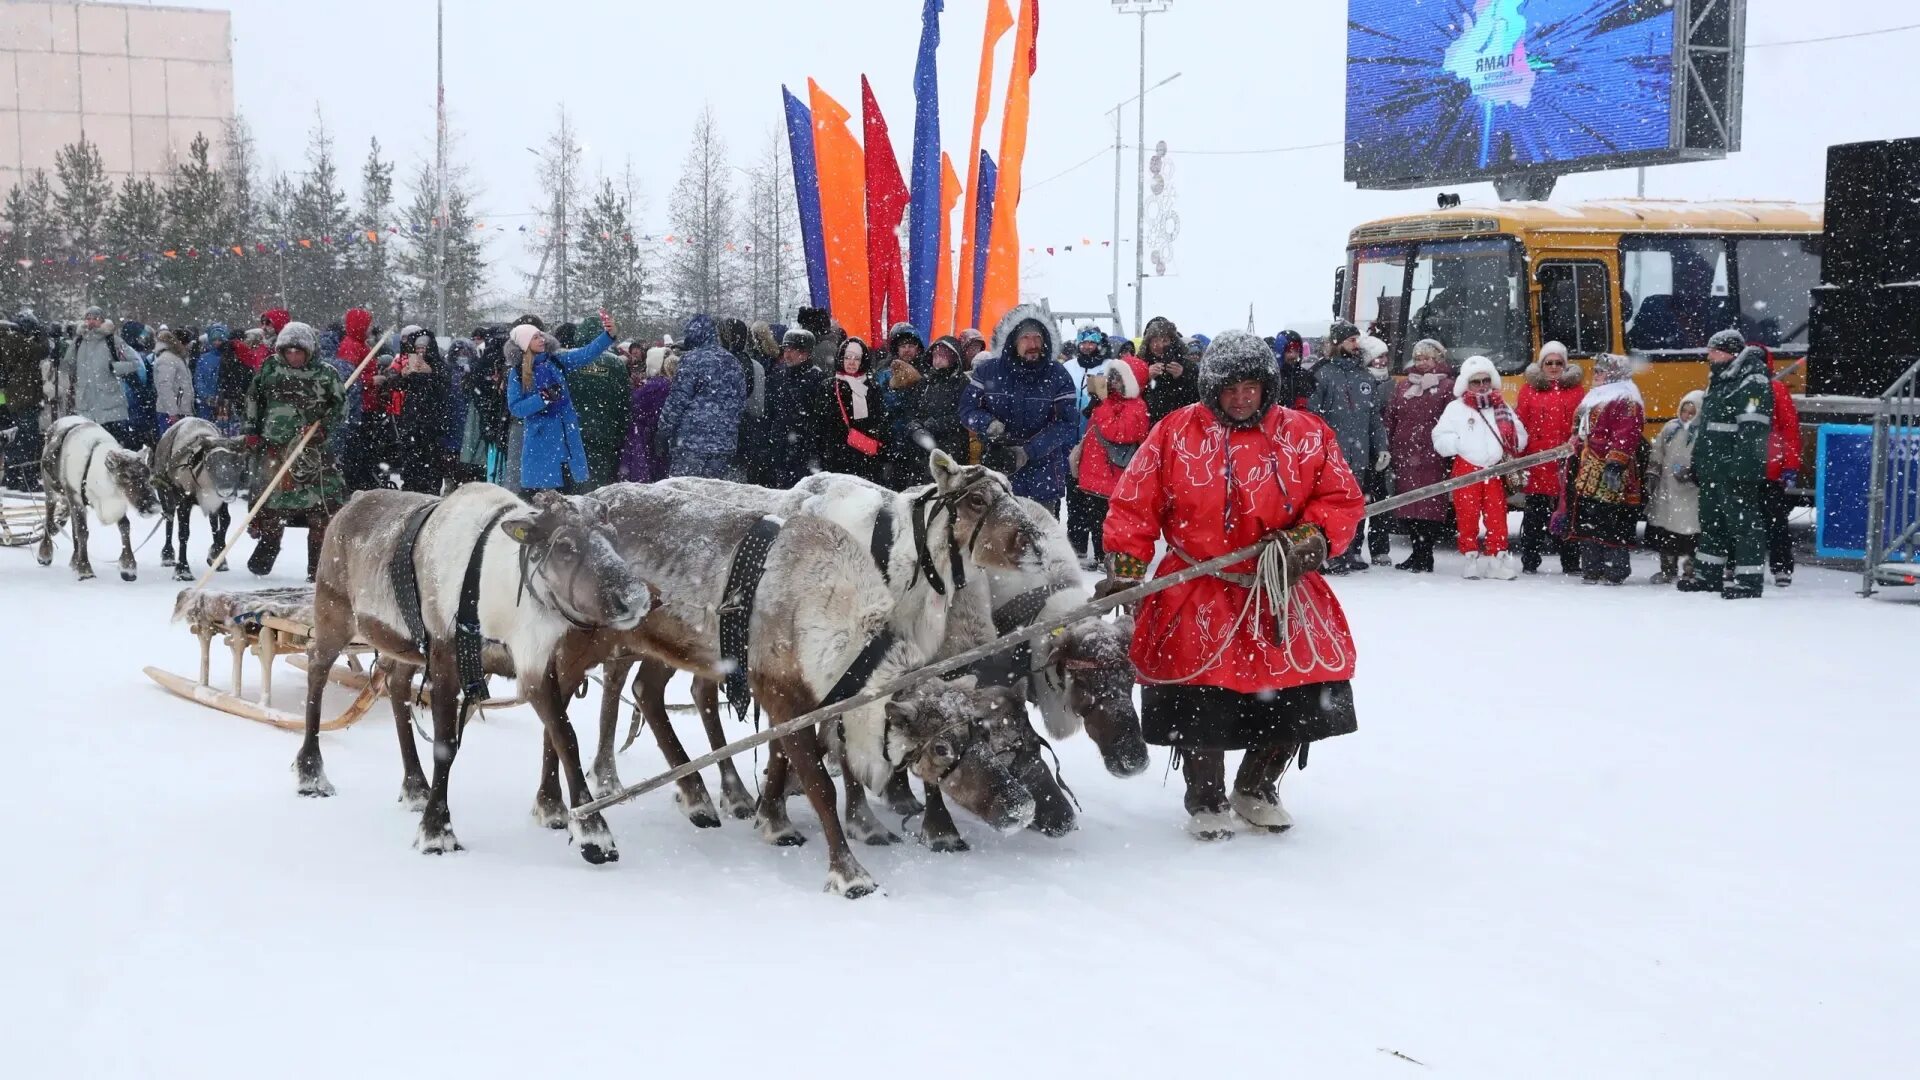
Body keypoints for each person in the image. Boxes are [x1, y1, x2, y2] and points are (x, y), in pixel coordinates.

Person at [1100, 330, 1365, 842]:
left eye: (1251, 387)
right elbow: (1135, 503)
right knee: (1204, 700)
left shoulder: (1306, 433)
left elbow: (1339, 496)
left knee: (1299, 695)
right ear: (1211, 389)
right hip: (1197, 585)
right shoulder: (1175, 432)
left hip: (1278, 584)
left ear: (1267, 386)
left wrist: (1311, 537)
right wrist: (1126, 570)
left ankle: (1258, 787)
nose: (1242, 398)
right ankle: (1205, 796)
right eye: (1230, 389)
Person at [242, 321, 346, 580]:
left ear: (308, 351)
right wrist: (252, 429)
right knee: (273, 505)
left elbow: (340, 408)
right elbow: (254, 398)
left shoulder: (326, 374)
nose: (293, 357)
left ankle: (317, 568)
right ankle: (268, 547)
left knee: (322, 509)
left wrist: (324, 427)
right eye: (288, 352)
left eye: (298, 352)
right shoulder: (269, 369)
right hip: (276, 449)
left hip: (313, 453)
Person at [1681, 335, 1774, 599]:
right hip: (1713, 467)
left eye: (1713, 352)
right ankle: (1707, 575)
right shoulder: (1719, 378)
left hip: (1735, 470)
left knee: (1744, 525)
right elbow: (1708, 428)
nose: (1709, 357)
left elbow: (1753, 429)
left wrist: (1743, 469)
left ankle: (1749, 581)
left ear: (1729, 353)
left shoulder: (1752, 380)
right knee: (1711, 522)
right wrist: (1698, 462)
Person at [959, 309, 1079, 514]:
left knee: (1041, 541)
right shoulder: (988, 371)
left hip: (1043, 478)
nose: (1033, 345)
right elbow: (967, 409)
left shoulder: (1057, 374)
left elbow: (1067, 423)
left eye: (1037, 338)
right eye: (1025, 337)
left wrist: (1028, 451)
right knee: (997, 540)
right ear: (1013, 340)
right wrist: (988, 424)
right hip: (998, 474)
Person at [1431, 354, 1528, 580]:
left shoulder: (1502, 406)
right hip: (1466, 468)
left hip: (1494, 471)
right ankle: (1470, 558)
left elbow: (1521, 434)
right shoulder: (1456, 408)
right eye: (1476, 381)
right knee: (1467, 516)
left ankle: (1497, 559)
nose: (1482, 386)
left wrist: (1511, 441)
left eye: (1486, 380)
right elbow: (1439, 437)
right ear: (1467, 384)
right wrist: (1458, 444)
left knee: (1497, 516)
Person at [1307, 319, 1390, 572]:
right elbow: (1312, 417)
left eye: (1357, 339)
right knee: (1331, 505)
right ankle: (1329, 552)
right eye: (1351, 340)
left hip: (1360, 454)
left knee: (1356, 503)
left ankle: (1352, 550)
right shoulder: (1322, 374)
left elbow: (1373, 416)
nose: (1356, 344)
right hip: (1332, 456)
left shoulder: (1363, 375)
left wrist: (1381, 446)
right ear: (1337, 343)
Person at [504, 310, 618, 494]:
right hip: (540, 442)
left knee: (569, 491)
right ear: (525, 345)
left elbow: (586, 354)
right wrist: (544, 397)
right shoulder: (516, 373)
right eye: (535, 338)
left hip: (565, 436)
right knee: (542, 493)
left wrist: (608, 335)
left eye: (540, 335)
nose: (541, 339)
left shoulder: (556, 361)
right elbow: (516, 408)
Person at [1563, 353, 1645, 585]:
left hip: (1610, 468)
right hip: (1588, 466)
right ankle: (1591, 567)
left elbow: (1627, 433)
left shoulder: (1626, 398)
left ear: (1614, 373)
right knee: (1587, 518)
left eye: (1601, 371)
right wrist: (1574, 445)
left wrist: (1616, 463)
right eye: (1595, 370)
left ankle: (1614, 569)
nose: (1595, 374)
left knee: (1611, 520)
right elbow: (1582, 429)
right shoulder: (1596, 395)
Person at [1070, 350, 1149, 569]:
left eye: (1118, 377)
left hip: (1111, 475)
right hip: (1098, 473)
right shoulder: (1109, 401)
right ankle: (1099, 556)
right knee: (1095, 518)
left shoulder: (1136, 407)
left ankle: (1106, 557)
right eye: (1112, 376)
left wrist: (1101, 406)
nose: (1113, 381)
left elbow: (1118, 433)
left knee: (1107, 521)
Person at [1514, 341, 1586, 574]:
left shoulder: (1577, 391)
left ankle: (1570, 562)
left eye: (1558, 363)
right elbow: (1521, 425)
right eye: (1549, 362)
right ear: (1542, 365)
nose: (1553, 367)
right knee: (1534, 516)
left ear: (1565, 365)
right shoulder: (1528, 390)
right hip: (1537, 461)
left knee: (1567, 513)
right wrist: (1519, 457)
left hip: (1567, 462)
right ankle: (1530, 561)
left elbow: (1582, 426)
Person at [1382, 339, 1453, 572]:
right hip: (1405, 454)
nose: (1422, 362)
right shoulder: (1403, 386)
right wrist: (1388, 444)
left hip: (1432, 455)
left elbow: (1450, 420)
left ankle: (1426, 554)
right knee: (1408, 506)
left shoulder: (1447, 387)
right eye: (1419, 358)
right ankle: (1416, 552)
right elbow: (1391, 417)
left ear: (1438, 360)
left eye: (1427, 358)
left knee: (1429, 507)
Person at [657, 314, 748, 480]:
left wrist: (663, 431)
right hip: (724, 444)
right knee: (712, 499)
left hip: (691, 442)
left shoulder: (690, 360)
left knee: (684, 496)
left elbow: (677, 400)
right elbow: (740, 403)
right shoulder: (733, 362)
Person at [1061, 325, 1111, 561]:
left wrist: (1098, 404)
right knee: (1074, 499)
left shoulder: (1108, 367)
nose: (1087, 346)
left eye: (1092, 342)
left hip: (1099, 445)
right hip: (1072, 443)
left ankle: (1101, 550)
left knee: (1098, 502)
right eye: (1084, 342)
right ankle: (1077, 547)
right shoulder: (1068, 367)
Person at [386, 327, 457, 494]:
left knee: (432, 464)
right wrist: (403, 375)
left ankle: (430, 493)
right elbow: (395, 385)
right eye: (417, 349)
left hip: (432, 423)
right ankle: (411, 489)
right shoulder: (410, 364)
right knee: (411, 462)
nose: (420, 352)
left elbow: (445, 388)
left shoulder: (439, 366)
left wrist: (430, 373)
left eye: (423, 348)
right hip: (412, 421)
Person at [56, 306, 143, 441]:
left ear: (102, 321)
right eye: (88, 318)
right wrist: (60, 359)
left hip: (110, 407)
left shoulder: (112, 341)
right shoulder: (78, 342)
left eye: (95, 319)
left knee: (110, 448)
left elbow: (135, 362)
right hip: (85, 407)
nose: (91, 322)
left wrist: (115, 367)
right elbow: (68, 367)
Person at [1645, 390, 1705, 585]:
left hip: (1691, 492)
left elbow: (1705, 459)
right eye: (1684, 411)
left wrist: (1693, 473)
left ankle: (1691, 569)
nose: (1686, 415)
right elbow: (1658, 450)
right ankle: (1667, 568)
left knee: (1691, 533)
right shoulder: (1670, 429)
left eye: (1692, 412)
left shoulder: (1703, 433)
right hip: (1667, 489)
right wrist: (1653, 470)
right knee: (1666, 531)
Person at [561, 329, 630, 490]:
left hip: (569, 432)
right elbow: (624, 403)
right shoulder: (615, 363)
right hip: (603, 434)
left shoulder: (567, 359)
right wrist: (619, 435)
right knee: (597, 486)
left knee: (569, 485)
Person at [821, 336, 889, 484]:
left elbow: (879, 417)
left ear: (862, 361)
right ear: (841, 359)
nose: (851, 362)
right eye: (848, 357)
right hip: (837, 453)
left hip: (865, 453)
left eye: (856, 358)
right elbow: (821, 422)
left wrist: (877, 439)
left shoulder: (871, 386)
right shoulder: (830, 386)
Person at [902, 334, 972, 471]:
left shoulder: (962, 383)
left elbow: (965, 415)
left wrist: (937, 424)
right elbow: (911, 408)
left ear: (953, 358)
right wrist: (913, 425)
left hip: (952, 447)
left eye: (943, 355)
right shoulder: (926, 381)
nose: (937, 359)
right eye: (935, 355)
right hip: (922, 446)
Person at [1763, 352, 1802, 587]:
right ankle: (1781, 567)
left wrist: (1790, 465)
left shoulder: (1775, 390)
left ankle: (1780, 566)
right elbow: (1790, 431)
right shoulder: (1776, 389)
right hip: (1770, 467)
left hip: (1768, 469)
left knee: (1773, 522)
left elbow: (1789, 430)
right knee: (1775, 522)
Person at [0, 311, 50, 490]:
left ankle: (12, 477)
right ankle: (26, 480)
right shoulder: (16, 340)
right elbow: (42, 350)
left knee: (17, 438)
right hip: (24, 397)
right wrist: (42, 334)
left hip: (14, 396)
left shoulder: (6, 339)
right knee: (27, 439)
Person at [617, 344, 673, 484]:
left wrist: (635, 391)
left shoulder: (653, 386)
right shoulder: (668, 384)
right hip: (659, 435)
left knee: (641, 474)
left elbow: (635, 408)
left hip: (643, 437)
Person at [1140, 316, 1197, 426]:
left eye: (1165, 340)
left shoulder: (1188, 366)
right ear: (1148, 343)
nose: (1160, 345)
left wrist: (1183, 377)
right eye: (1155, 340)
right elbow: (1127, 398)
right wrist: (1145, 378)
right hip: (1148, 430)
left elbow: (1198, 401)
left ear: (1173, 341)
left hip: (1181, 428)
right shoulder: (1139, 365)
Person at [150, 329, 193, 438]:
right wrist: (172, 412)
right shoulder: (168, 359)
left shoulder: (176, 358)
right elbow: (164, 386)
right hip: (172, 412)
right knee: (170, 445)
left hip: (179, 409)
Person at [1273, 329, 1315, 409]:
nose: (1293, 355)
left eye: (1296, 351)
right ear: (1281, 352)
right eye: (1289, 351)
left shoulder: (1306, 377)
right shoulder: (1273, 377)